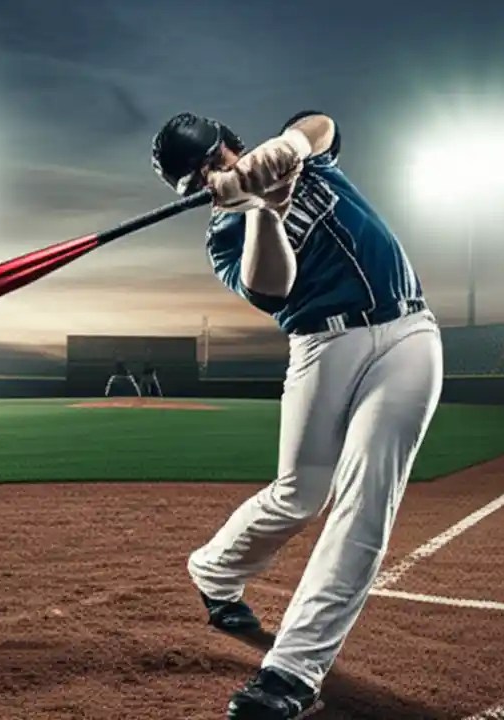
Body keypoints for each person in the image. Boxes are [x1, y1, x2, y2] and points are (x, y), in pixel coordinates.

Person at [150, 110, 443, 720]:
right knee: (299, 495)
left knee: (365, 498)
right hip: (321, 347)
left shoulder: (303, 160)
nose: (209, 179)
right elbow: (273, 288)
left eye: (212, 162)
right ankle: (214, 571)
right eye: (196, 180)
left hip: (408, 334)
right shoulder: (223, 235)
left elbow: (320, 125)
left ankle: (292, 672)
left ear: (231, 145)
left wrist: (285, 148)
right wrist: (262, 208)